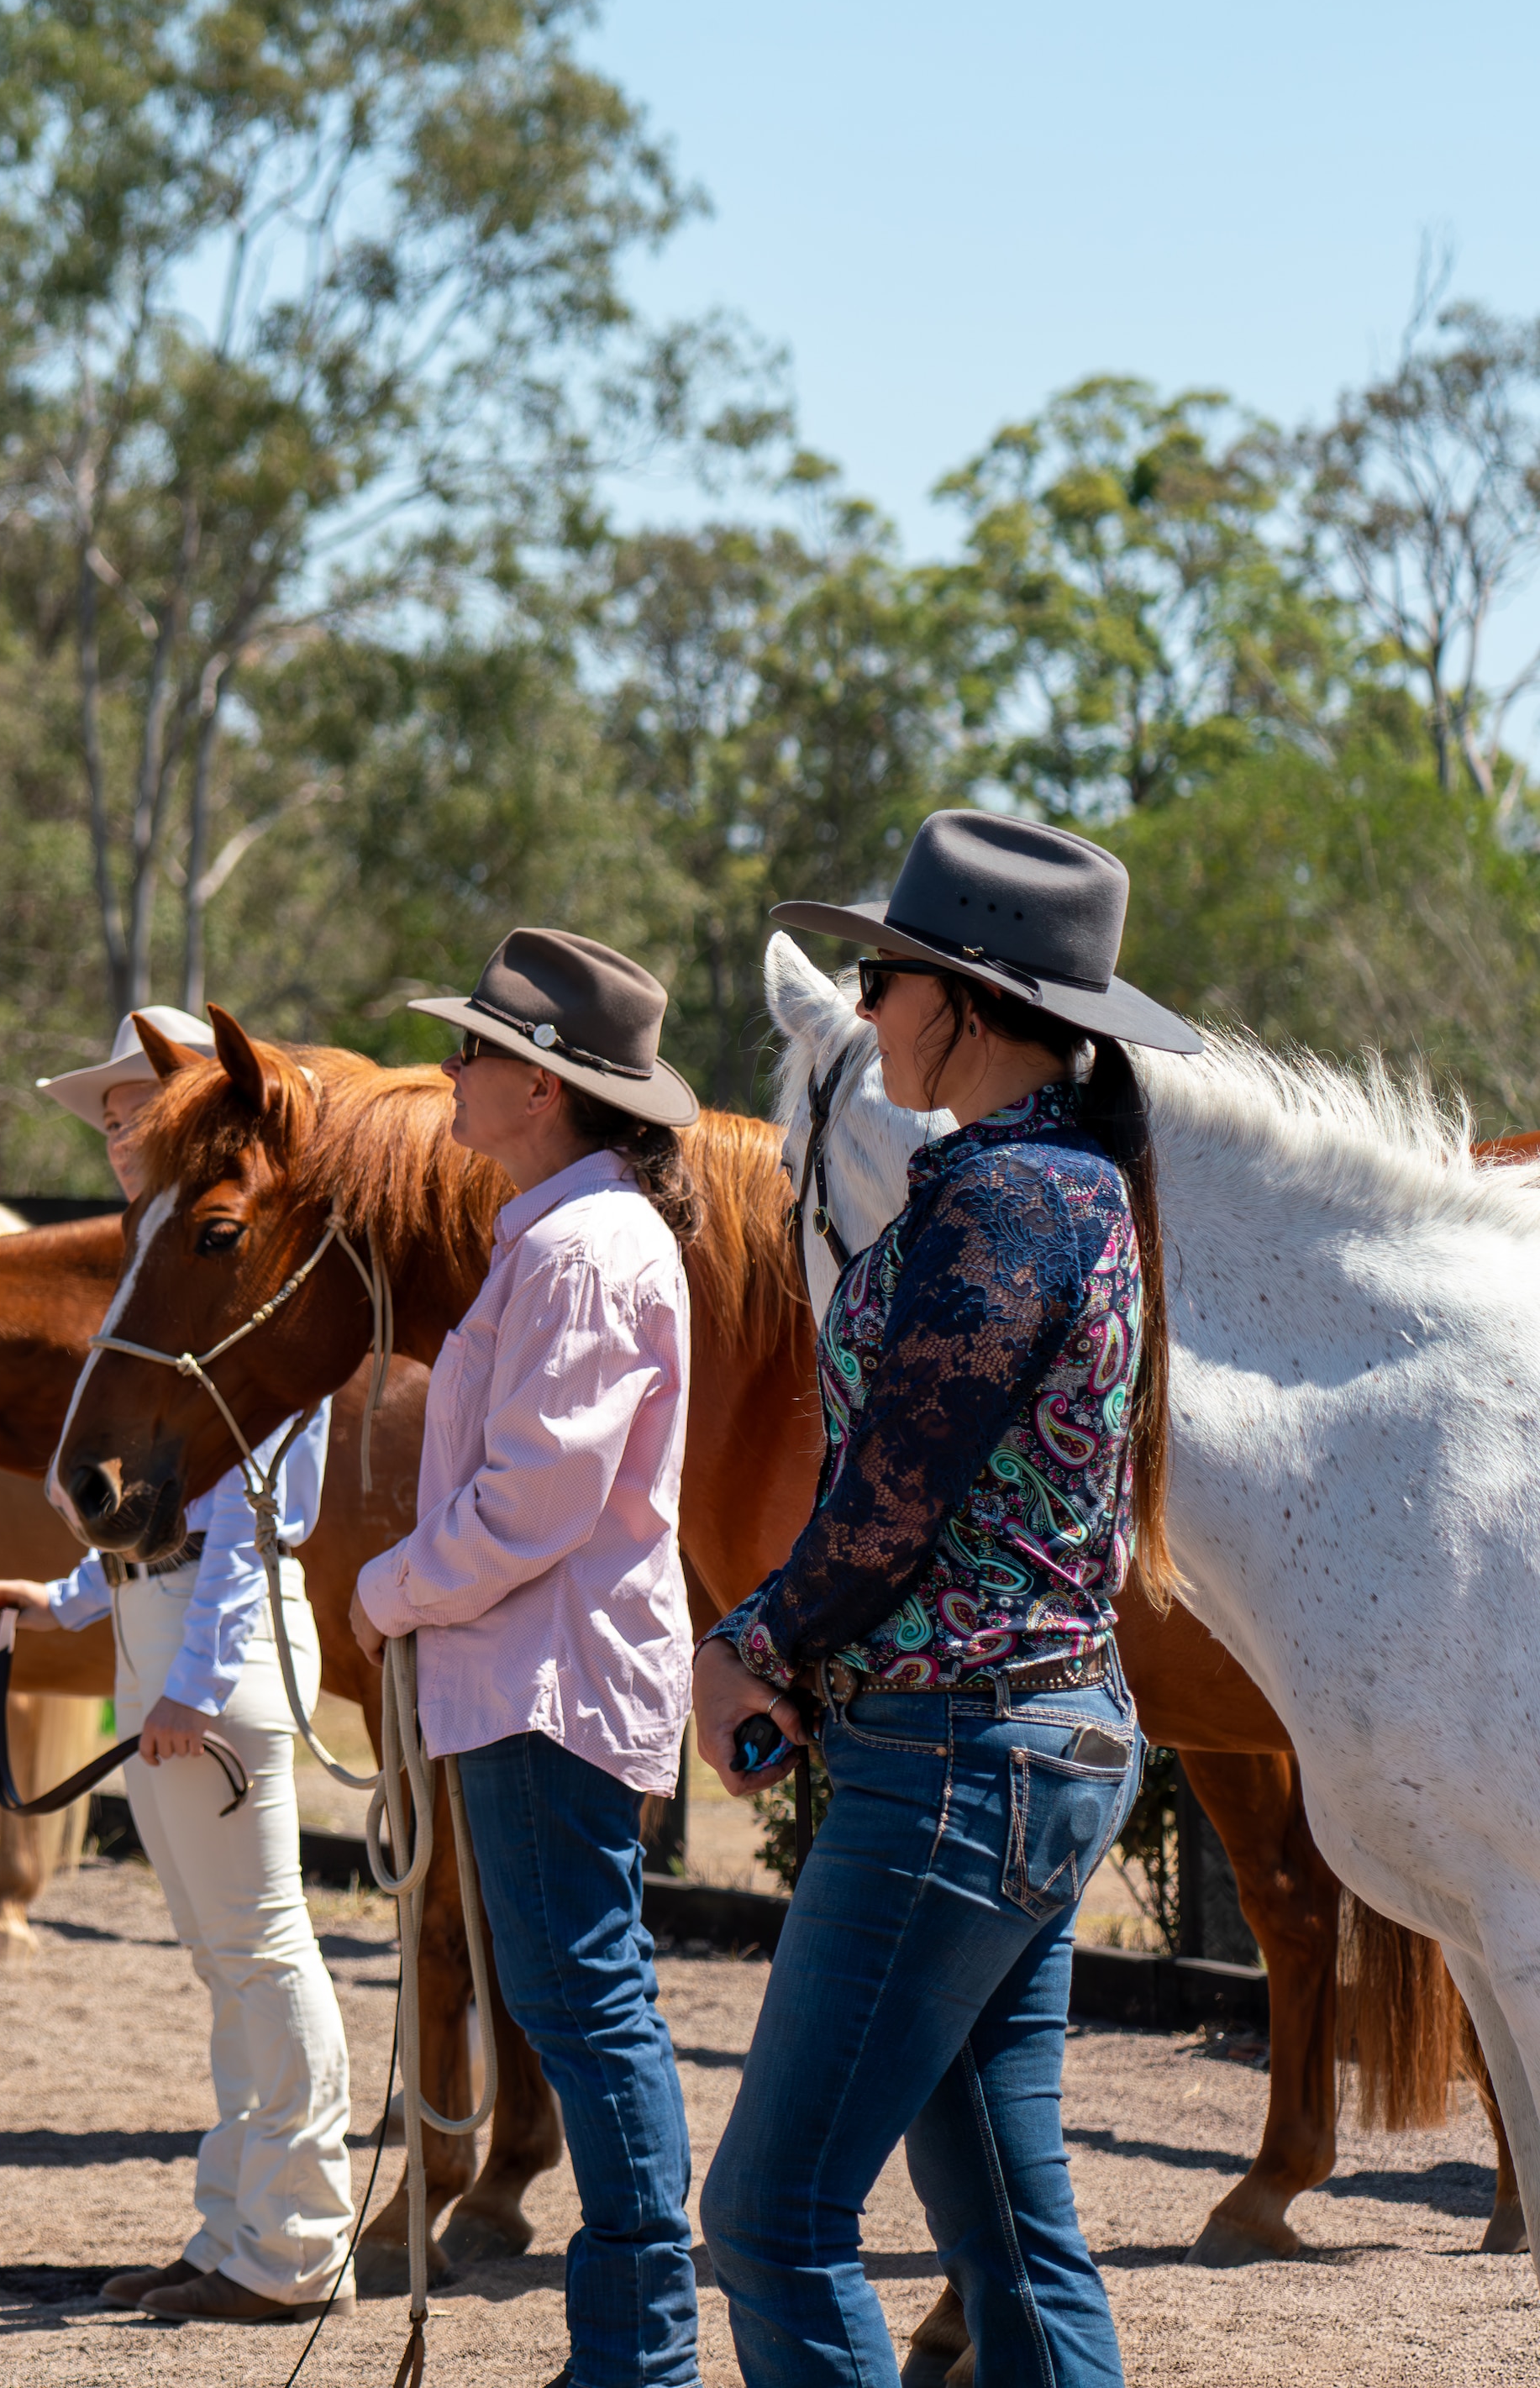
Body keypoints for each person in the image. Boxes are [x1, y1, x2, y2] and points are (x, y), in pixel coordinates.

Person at [696, 813, 1190, 2388]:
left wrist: (755, 1641)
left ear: (962, 1006)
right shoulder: (1051, 1185)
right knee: (1010, 2236)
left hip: (959, 1761)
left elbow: (894, 1495)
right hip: (1028, 1744)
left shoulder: (1009, 1202)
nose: (864, 1000)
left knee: (773, 2218)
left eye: (881, 974)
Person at [349, 933, 703, 2388]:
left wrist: (388, 1590)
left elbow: (534, 1499)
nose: (456, 1070)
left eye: (481, 1052)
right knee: (578, 1996)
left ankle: (643, 2352)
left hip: (546, 1685)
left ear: (547, 1091)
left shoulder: (579, 1251)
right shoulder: (570, 1239)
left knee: (583, 1999)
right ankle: (635, 2342)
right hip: (535, 1680)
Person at [0, 1004, 351, 2324]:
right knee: (225, 1955)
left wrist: (196, 1673)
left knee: (261, 1944)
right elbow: (164, 1501)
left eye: (137, 1099)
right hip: (167, 1627)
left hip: (211, 1644)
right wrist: (77, 1591)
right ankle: (241, 2227)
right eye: (117, 1108)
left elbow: (254, 1507)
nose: (117, 1121)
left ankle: (294, 2242)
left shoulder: (246, 1276)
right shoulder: (166, 1267)